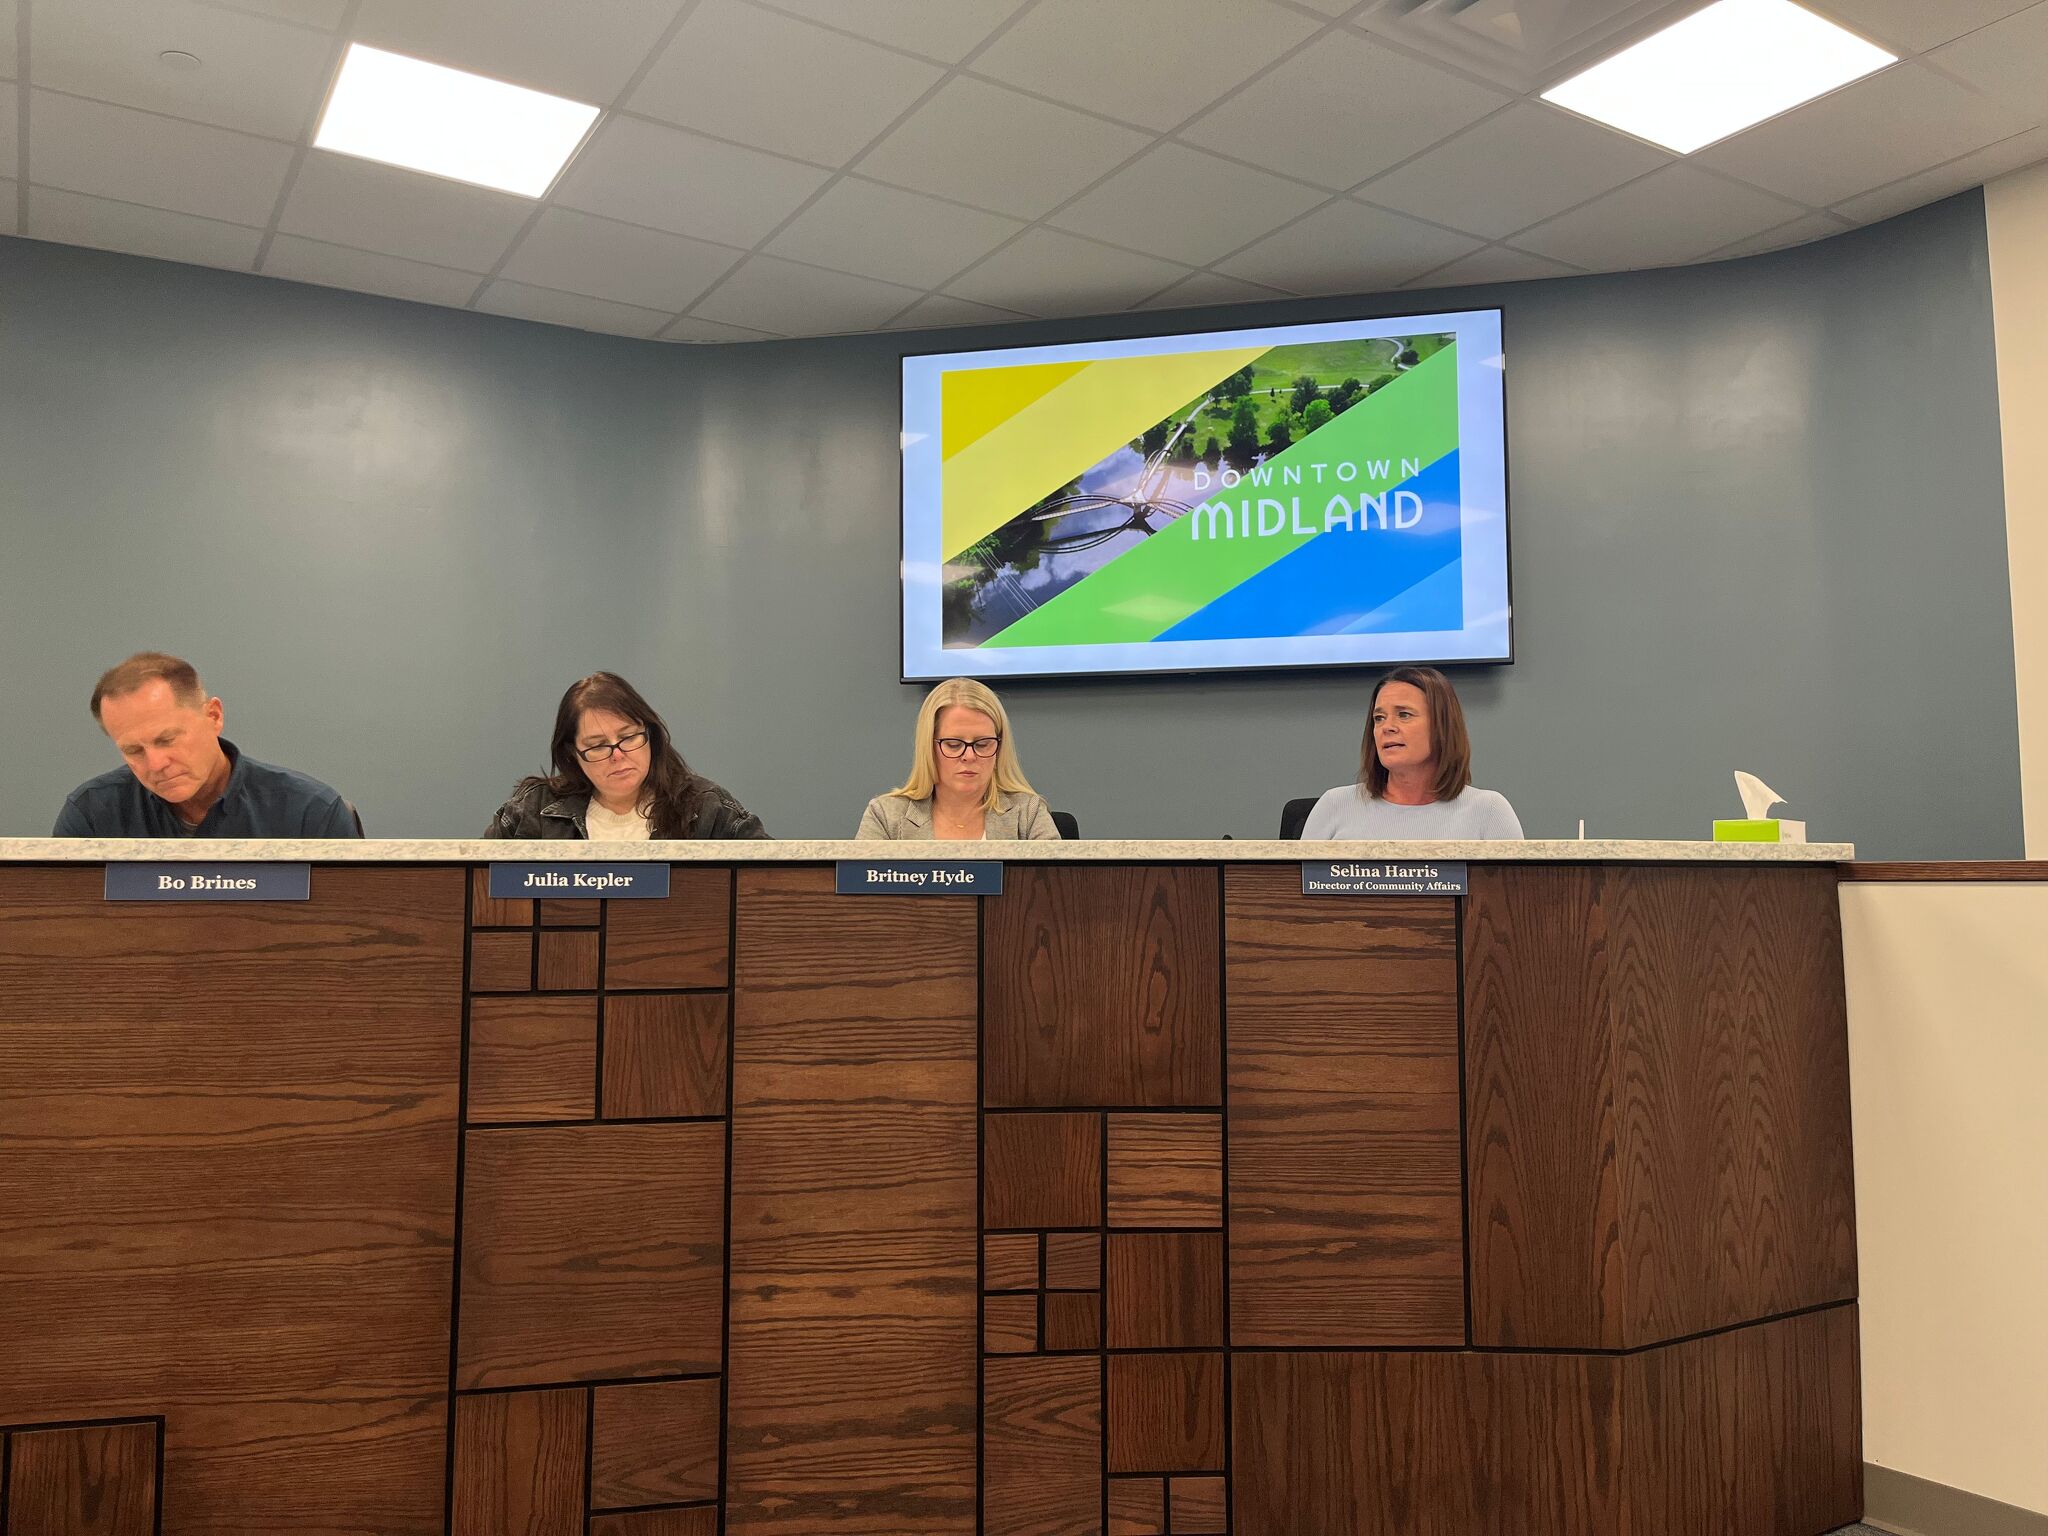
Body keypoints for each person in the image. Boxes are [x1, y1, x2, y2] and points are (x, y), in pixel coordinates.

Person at [53, 652, 362, 837]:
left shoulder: (310, 812)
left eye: (167, 739)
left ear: (213, 716)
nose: (156, 764)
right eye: (134, 750)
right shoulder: (92, 814)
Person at [485, 672, 765, 840]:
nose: (617, 755)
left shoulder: (706, 808)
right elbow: (475, 890)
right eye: (597, 745)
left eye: (628, 738)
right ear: (573, 754)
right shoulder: (534, 809)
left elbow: (772, 885)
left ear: (650, 736)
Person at [1301, 665, 1522, 839]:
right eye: (1379, 718)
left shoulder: (1489, 811)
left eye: (1404, 714)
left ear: (1441, 726)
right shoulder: (1334, 805)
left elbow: (1513, 896)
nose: (1387, 727)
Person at [857, 677, 1060, 840]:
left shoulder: (1028, 814)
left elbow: (1055, 888)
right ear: (929, 747)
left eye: (983, 744)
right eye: (954, 745)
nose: (969, 756)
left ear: (999, 747)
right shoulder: (885, 816)